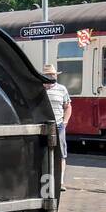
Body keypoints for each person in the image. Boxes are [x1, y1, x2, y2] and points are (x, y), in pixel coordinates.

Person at [42, 63, 73, 192]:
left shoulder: (62, 89)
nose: (52, 76)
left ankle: (60, 182)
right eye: (49, 75)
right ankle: (45, 182)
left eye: (53, 74)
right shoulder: (39, 90)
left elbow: (68, 106)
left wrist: (65, 122)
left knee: (61, 154)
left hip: (59, 125)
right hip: (43, 126)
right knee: (44, 153)